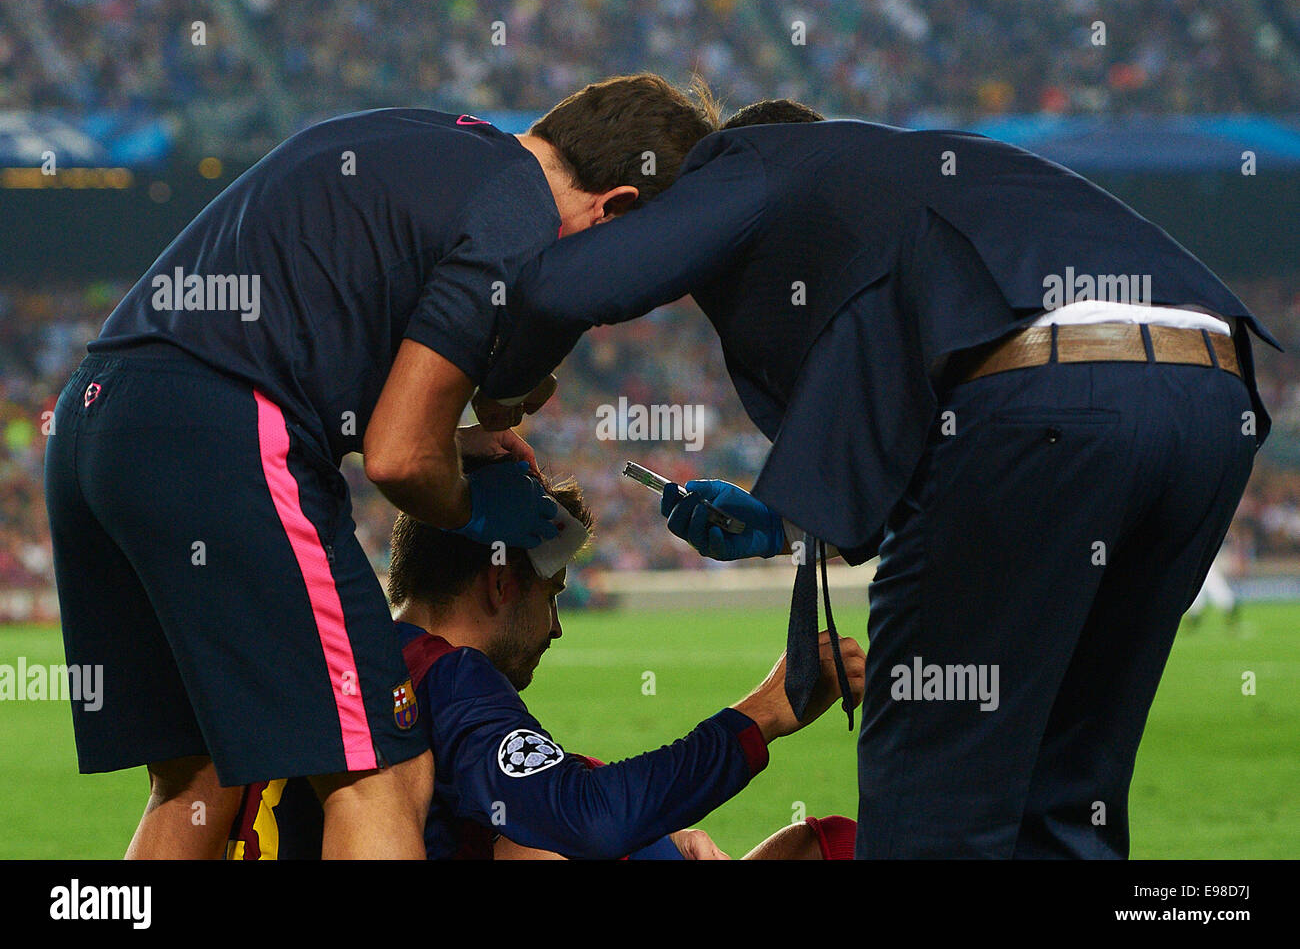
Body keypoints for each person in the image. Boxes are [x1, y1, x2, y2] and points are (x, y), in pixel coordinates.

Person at [474, 99, 1281, 858]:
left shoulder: (747, 158)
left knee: (933, 798)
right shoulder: (922, 184)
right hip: (1211, 394)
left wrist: (497, 395)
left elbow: (585, 281)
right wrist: (783, 520)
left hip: (1049, 394)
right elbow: (899, 381)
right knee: (1067, 797)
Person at [44, 75, 719, 858]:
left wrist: (449, 437)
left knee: (195, 783)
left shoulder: (431, 141)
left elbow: (319, 348)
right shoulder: (516, 217)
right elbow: (400, 461)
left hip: (98, 416)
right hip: (222, 429)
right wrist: (473, 509)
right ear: (620, 207)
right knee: (381, 774)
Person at [226, 458, 864, 859]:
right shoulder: (447, 675)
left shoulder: (354, 658)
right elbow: (583, 820)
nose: (556, 628)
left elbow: (537, 792)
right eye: (552, 597)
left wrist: (655, 833)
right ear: (501, 585)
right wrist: (765, 712)